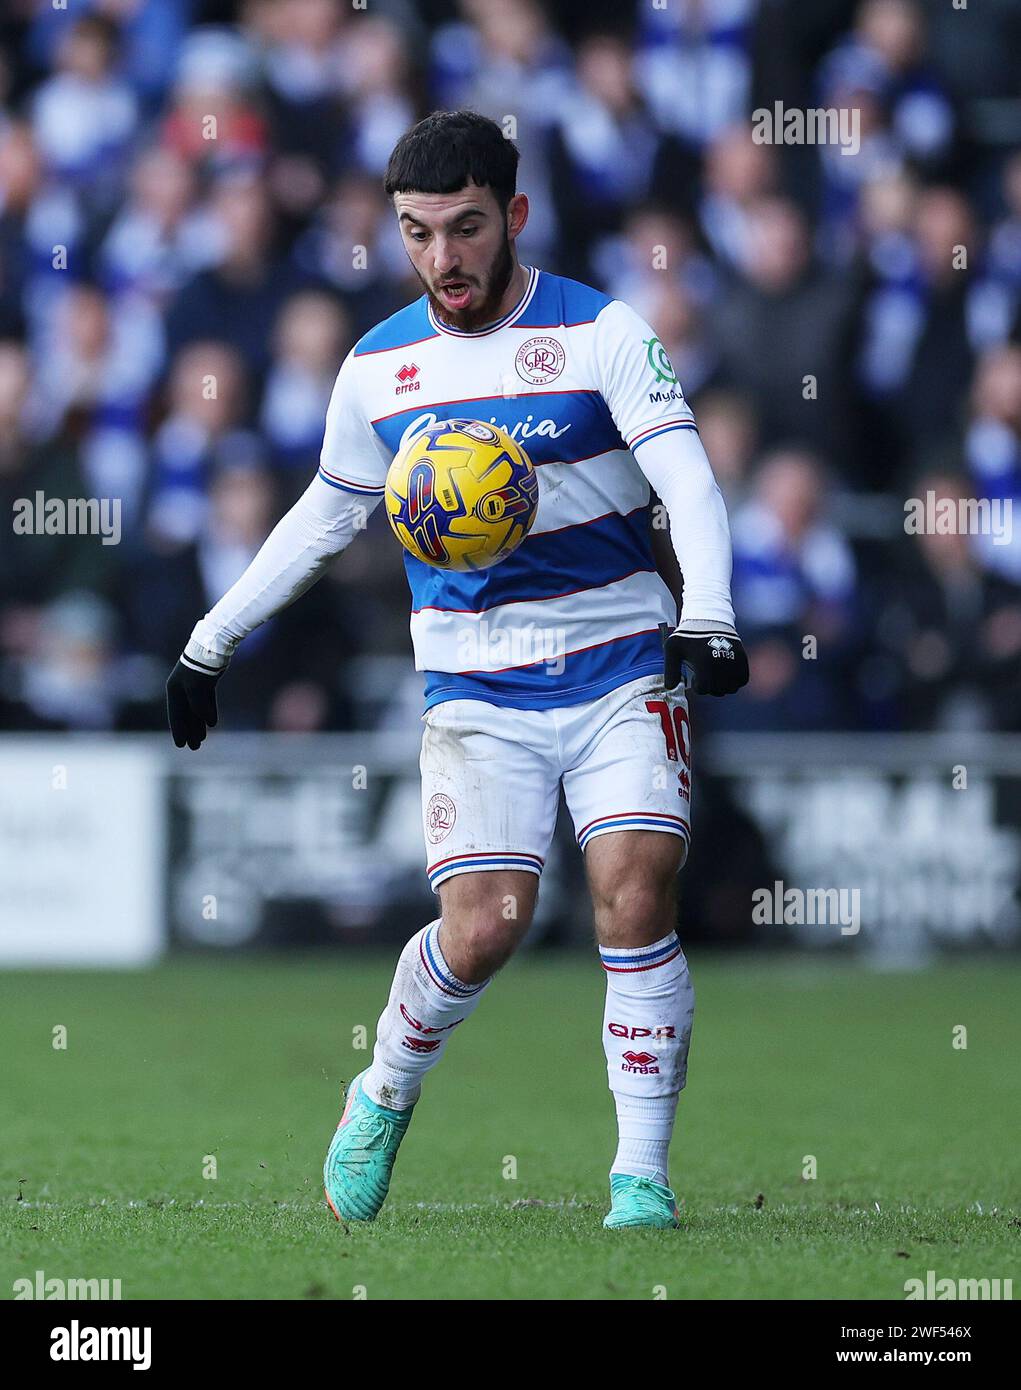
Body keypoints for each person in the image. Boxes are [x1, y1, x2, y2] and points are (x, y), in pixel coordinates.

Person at [165, 110, 748, 1231]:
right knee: (486, 924)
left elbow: (689, 481)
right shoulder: (379, 366)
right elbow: (323, 519)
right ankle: (382, 1089)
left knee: (634, 890)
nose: (443, 258)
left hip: (622, 662)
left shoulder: (602, 333)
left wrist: (708, 613)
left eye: (466, 227)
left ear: (513, 217)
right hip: (476, 689)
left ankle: (639, 1176)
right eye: (418, 232)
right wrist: (209, 641)